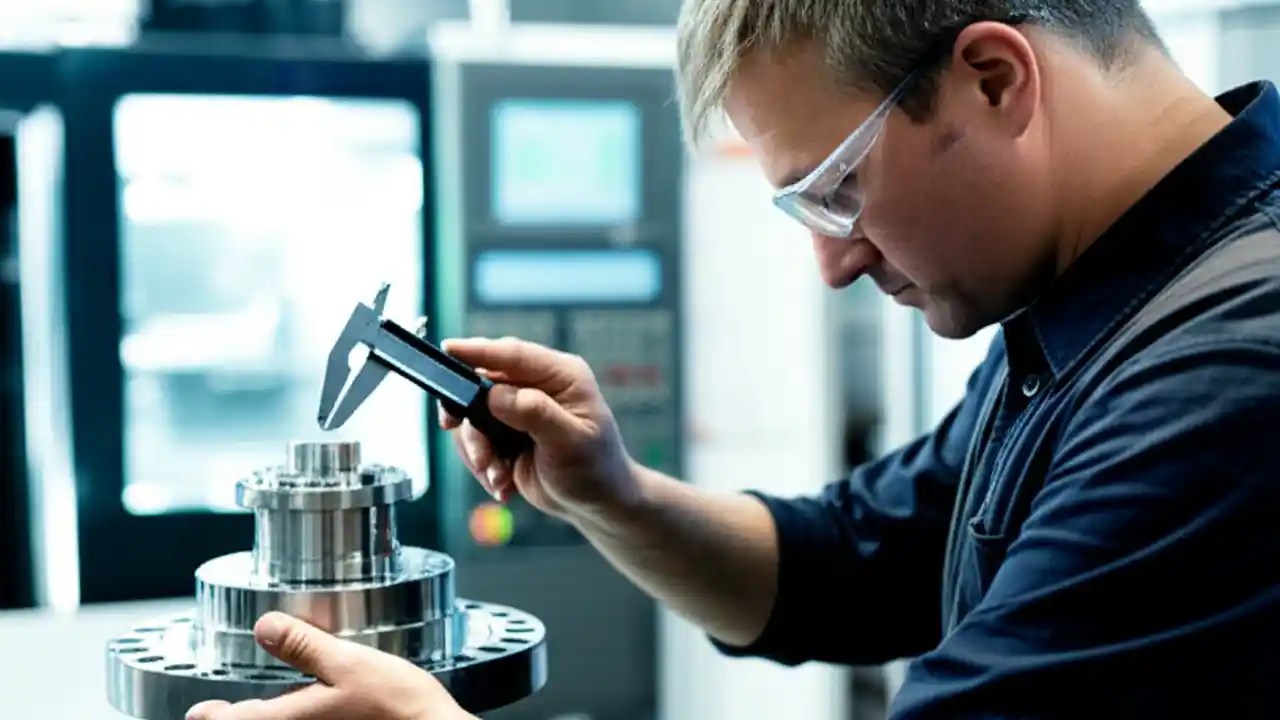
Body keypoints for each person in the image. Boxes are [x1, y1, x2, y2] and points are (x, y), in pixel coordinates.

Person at [187, 0, 1280, 718]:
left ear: (994, 79)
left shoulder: (1224, 377)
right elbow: (851, 566)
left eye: (836, 190)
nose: (832, 264)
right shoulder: (1095, 309)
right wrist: (608, 493)